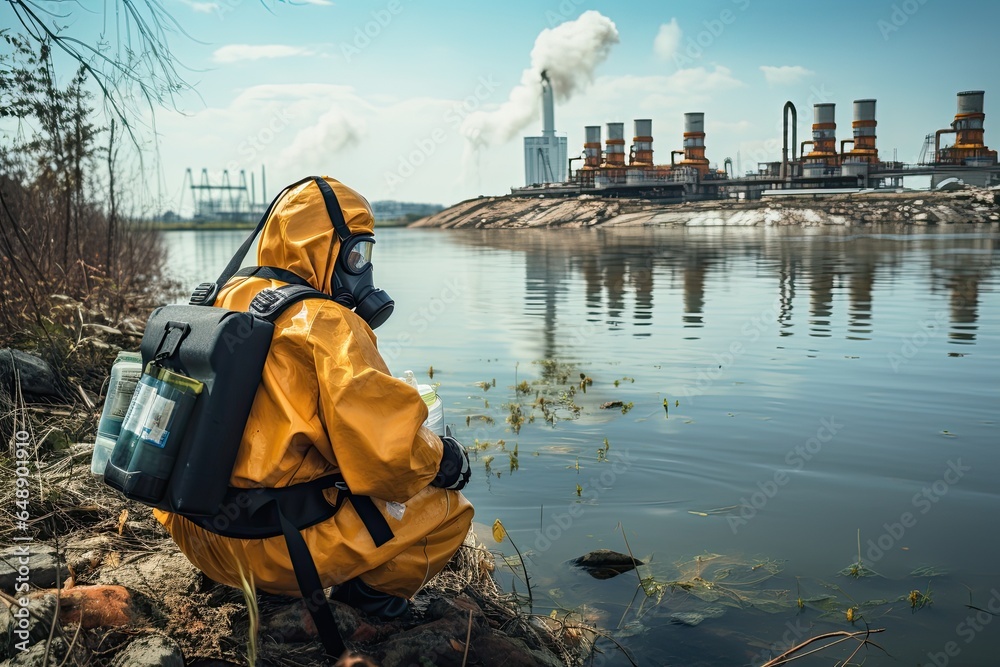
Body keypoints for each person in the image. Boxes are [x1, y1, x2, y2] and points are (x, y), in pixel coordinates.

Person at [153, 176, 474, 619]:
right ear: (329, 248)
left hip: (195, 534)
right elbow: (390, 460)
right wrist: (444, 459)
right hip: (269, 552)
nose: (361, 266)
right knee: (449, 509)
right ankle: (370, 602)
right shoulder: (326, 322)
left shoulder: (217, 297)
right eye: (357, 252)